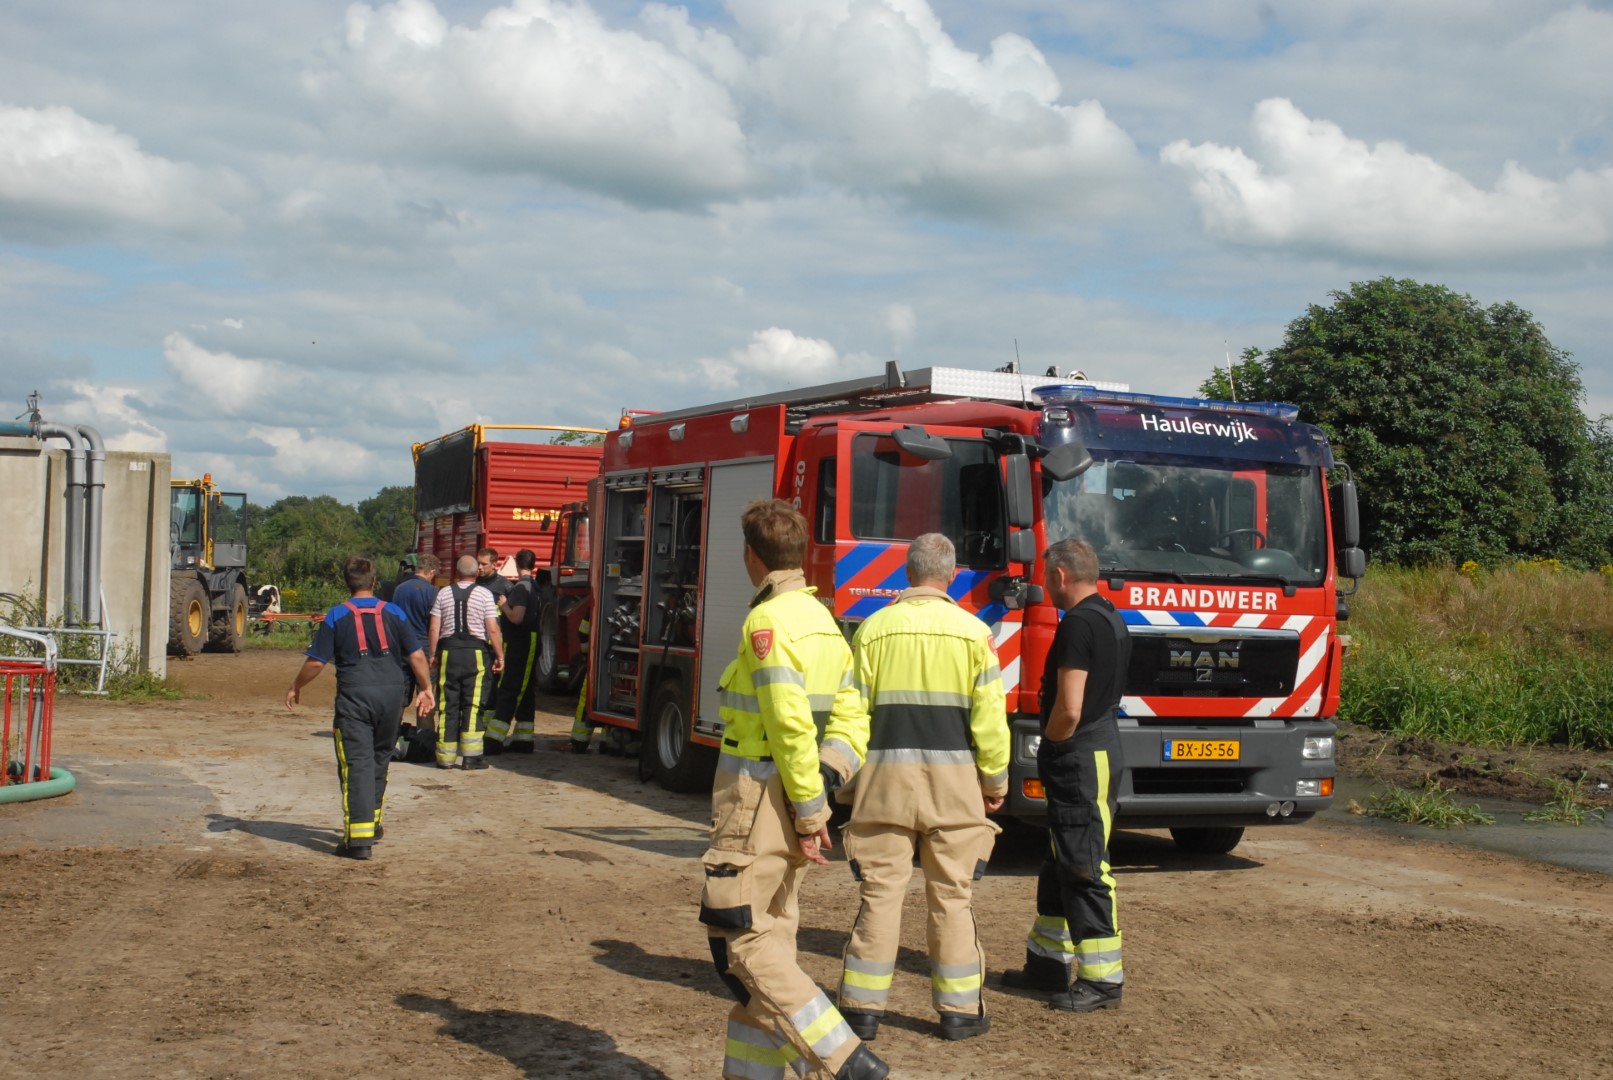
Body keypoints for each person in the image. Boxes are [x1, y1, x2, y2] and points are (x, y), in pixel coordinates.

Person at [700, 499, 888, 1080]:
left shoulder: (766, 622)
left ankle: (843, 1059)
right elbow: (854, 717)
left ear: (752, 557)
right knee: (774, 938)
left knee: (739, 943)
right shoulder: (826, 623)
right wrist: (825, 785)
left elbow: (786, 724)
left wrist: (810, 816)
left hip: (757, 797)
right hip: (793, 793)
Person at [837, 533, 1009, 1043]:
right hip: (954, 791)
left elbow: (852, 714)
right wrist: (994, 782)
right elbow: (990, 724)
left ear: (907, 574)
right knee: (952, 898)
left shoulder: (872, 629)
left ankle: (862, 1011)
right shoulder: (975, 634)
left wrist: (841, 781)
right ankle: (959, 1014)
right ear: (952, 575)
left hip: (883, 786)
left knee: (880, 896)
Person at [1001, 538, 1131, 1012]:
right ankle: (1047, 965)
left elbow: (1070, 707)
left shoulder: (1076, 624)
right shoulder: (1110, 617)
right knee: (1061, 861)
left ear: (1059, 575)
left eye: (1045, 576)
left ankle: (1101, 982)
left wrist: (1052, 744)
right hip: (1099, 748)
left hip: (1079, 754)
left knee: (1084, 866)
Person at [284, 555, 434, 860]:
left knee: (357, 764)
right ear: (375, 582)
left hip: (356, 695)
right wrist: (426, 688)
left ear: (346, 582)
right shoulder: (394, 612)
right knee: (380, 758)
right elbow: (417, 656)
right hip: (393, 694)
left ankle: (358, 840)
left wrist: (296, 686)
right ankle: (372, 825)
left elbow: (316, 662)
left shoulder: (337, 615)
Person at [427, 555, 504, 771]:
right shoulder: (484, 594)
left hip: (449, 653)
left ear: (457, 572)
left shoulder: (443, 593)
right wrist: (500, 656)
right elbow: (493, 629)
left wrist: (433, 655)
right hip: (476, 653)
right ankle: (471, 758)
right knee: (473, 703)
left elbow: (434, 628)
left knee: (447, 704)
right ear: (477, 572)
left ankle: (445, 757)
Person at [487, 548, 540, 753]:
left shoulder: (521, 588)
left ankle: (493, 740)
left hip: (521, 643)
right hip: (528, 642)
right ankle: (523, 740)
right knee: (525, 691)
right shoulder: (534, 586)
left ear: (517, 564)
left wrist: (503, 605)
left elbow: (516, 617)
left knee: (511, 688)